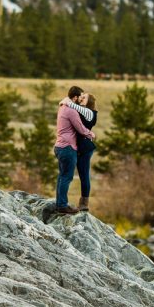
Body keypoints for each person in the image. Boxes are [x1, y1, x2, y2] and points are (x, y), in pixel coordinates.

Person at [54, 86, 95, 214]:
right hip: (68, 147)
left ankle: (60, 203)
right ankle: (62, 205)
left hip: (59, 146)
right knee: (66, 177)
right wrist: (91, 134)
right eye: (81, 97)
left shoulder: (62, 107)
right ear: (75, 98)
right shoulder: (71, 111)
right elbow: (80, 128)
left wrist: (66, 100)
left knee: (62, 176)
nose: (81, 99)